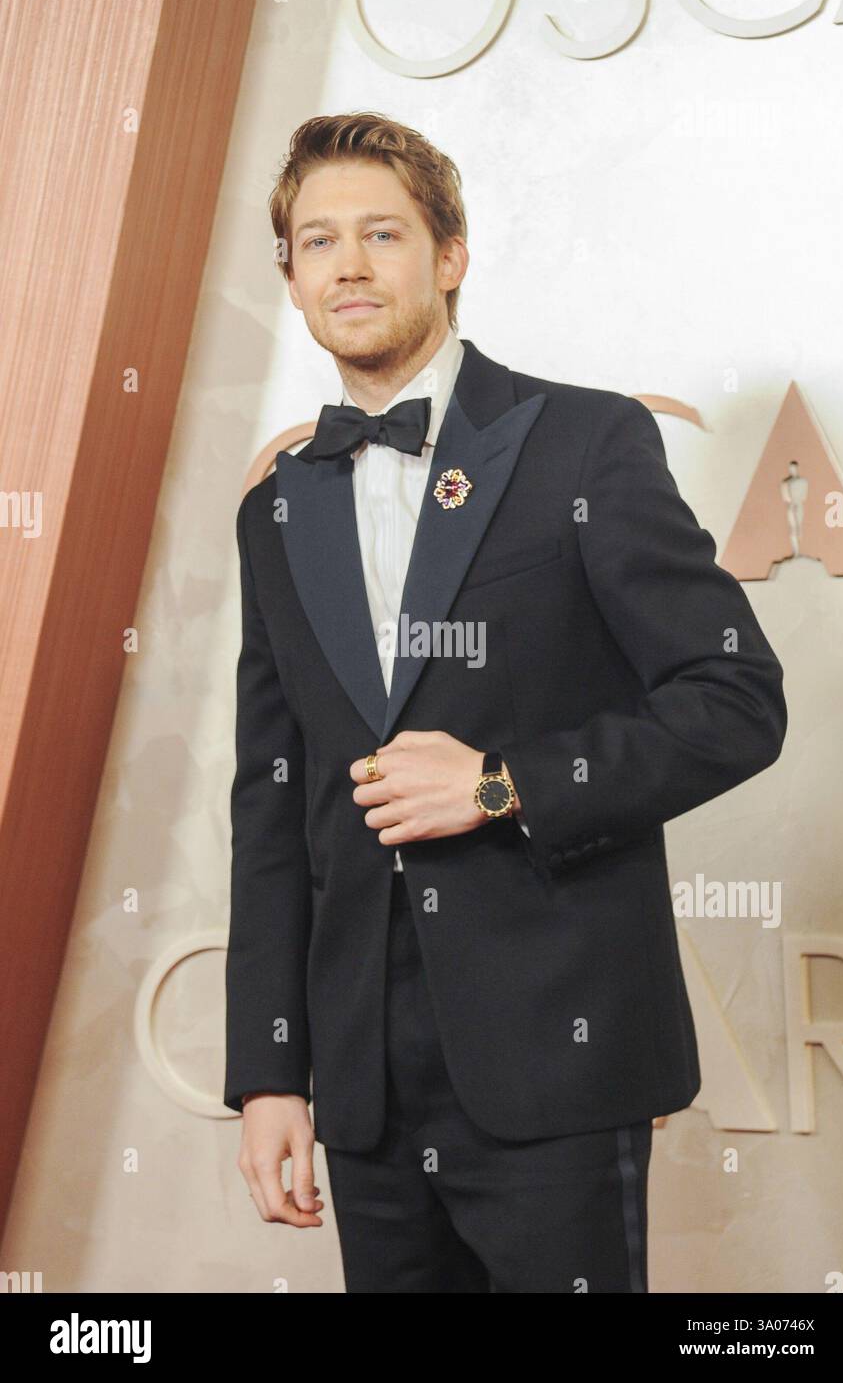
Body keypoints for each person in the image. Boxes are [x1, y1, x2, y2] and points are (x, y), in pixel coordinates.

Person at [224, 111, 787, 1293]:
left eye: (384, 233)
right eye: (318, 242)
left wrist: (496, 785)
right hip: (366, 1089)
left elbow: (735, 695)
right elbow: (272, 809)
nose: (351, 266)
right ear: (291, 276)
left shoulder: (585, 443)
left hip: (557, 1059)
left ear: (452, 253)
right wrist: (273, 1071)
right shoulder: (275, 509)